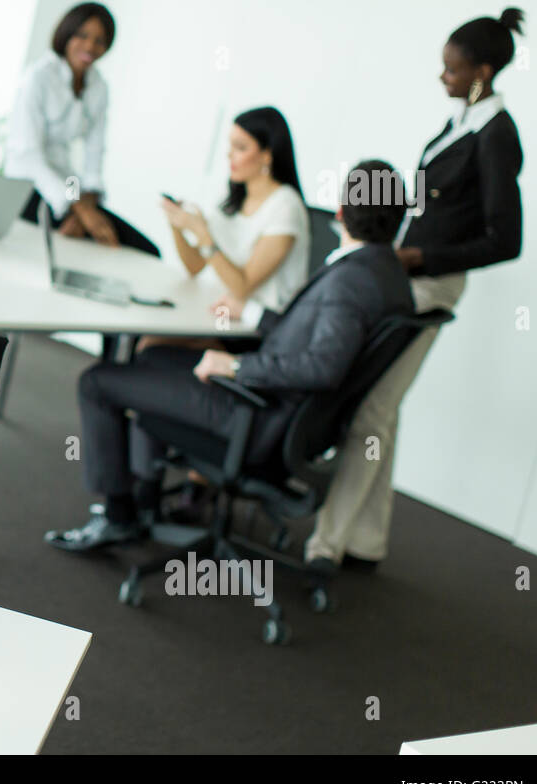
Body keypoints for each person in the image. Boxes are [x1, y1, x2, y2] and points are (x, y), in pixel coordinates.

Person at [46, 161, 413, 552]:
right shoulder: (389, 278)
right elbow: (316, 341)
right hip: (288, 419)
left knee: (98, 382)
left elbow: (322, 367)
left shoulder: (349, 282)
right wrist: (254, 314)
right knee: (152, 357)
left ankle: (119, 518)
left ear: (340, 212)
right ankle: (146, 500)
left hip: (255, 418)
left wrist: (235, 365)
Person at [304, 9, 525, 571]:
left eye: (451, 69)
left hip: (431, 290)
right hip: (404, 280)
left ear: (482, 70)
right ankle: (366, 540)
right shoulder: (461, 124)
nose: (442, 77)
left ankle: (326, 544)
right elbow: (434, 206)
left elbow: (506, 240)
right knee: (386, 413)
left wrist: (421, 256)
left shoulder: (496, 137)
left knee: (370, 414)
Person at [7, 1, 152, 251]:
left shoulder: (99, 86)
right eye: (82, 36)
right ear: (66, 34)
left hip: (68, 184)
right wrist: (77, 207)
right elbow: (29, 155)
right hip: (29, 185)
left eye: (99, 40)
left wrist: (87, 204)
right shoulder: (39, 77)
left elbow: (95, 152)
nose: (90, 47)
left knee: (142, 247)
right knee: (90, 239)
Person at [158, 106, 310, 320]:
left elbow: (242, 288)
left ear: (267, 155)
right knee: (153, 338)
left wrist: (203, 234)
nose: (229, 154)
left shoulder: (286, 207)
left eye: (240, 147)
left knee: (156, 343)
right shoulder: (233, 195)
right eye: (230, 145)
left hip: (259, 326)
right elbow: (194, 266)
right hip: (222, 311)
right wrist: (177, 224)